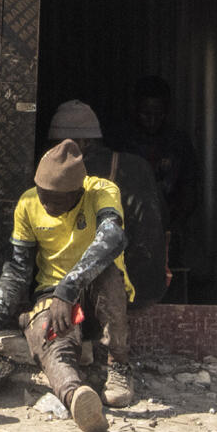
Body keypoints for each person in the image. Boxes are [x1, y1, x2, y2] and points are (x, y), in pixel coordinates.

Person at [0, 140, 132, 432]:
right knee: (50, 339)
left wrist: (69, 288)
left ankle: (118, 366)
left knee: (109, 276)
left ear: (78, 192)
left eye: (56, 200)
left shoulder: (102, 191)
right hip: (52, 295)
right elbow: (18, 268)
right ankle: (76, 396)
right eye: (44, 197)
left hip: (93, 291)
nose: (47, 205)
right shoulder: (28, 203)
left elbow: (113, 238)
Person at [52, 99, 168, 317]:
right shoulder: (139, 167)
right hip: (150, 288)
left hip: (113, 289)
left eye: (58, 146)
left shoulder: (77, 174)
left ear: (82, 142)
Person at [114, 75, 201, 284]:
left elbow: (190, 185)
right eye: (146, 114)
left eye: (158, 114)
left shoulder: (177, 142)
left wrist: (177, 222)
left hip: (169, 222)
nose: (152, 120)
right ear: (135, 109)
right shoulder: (122, 140)